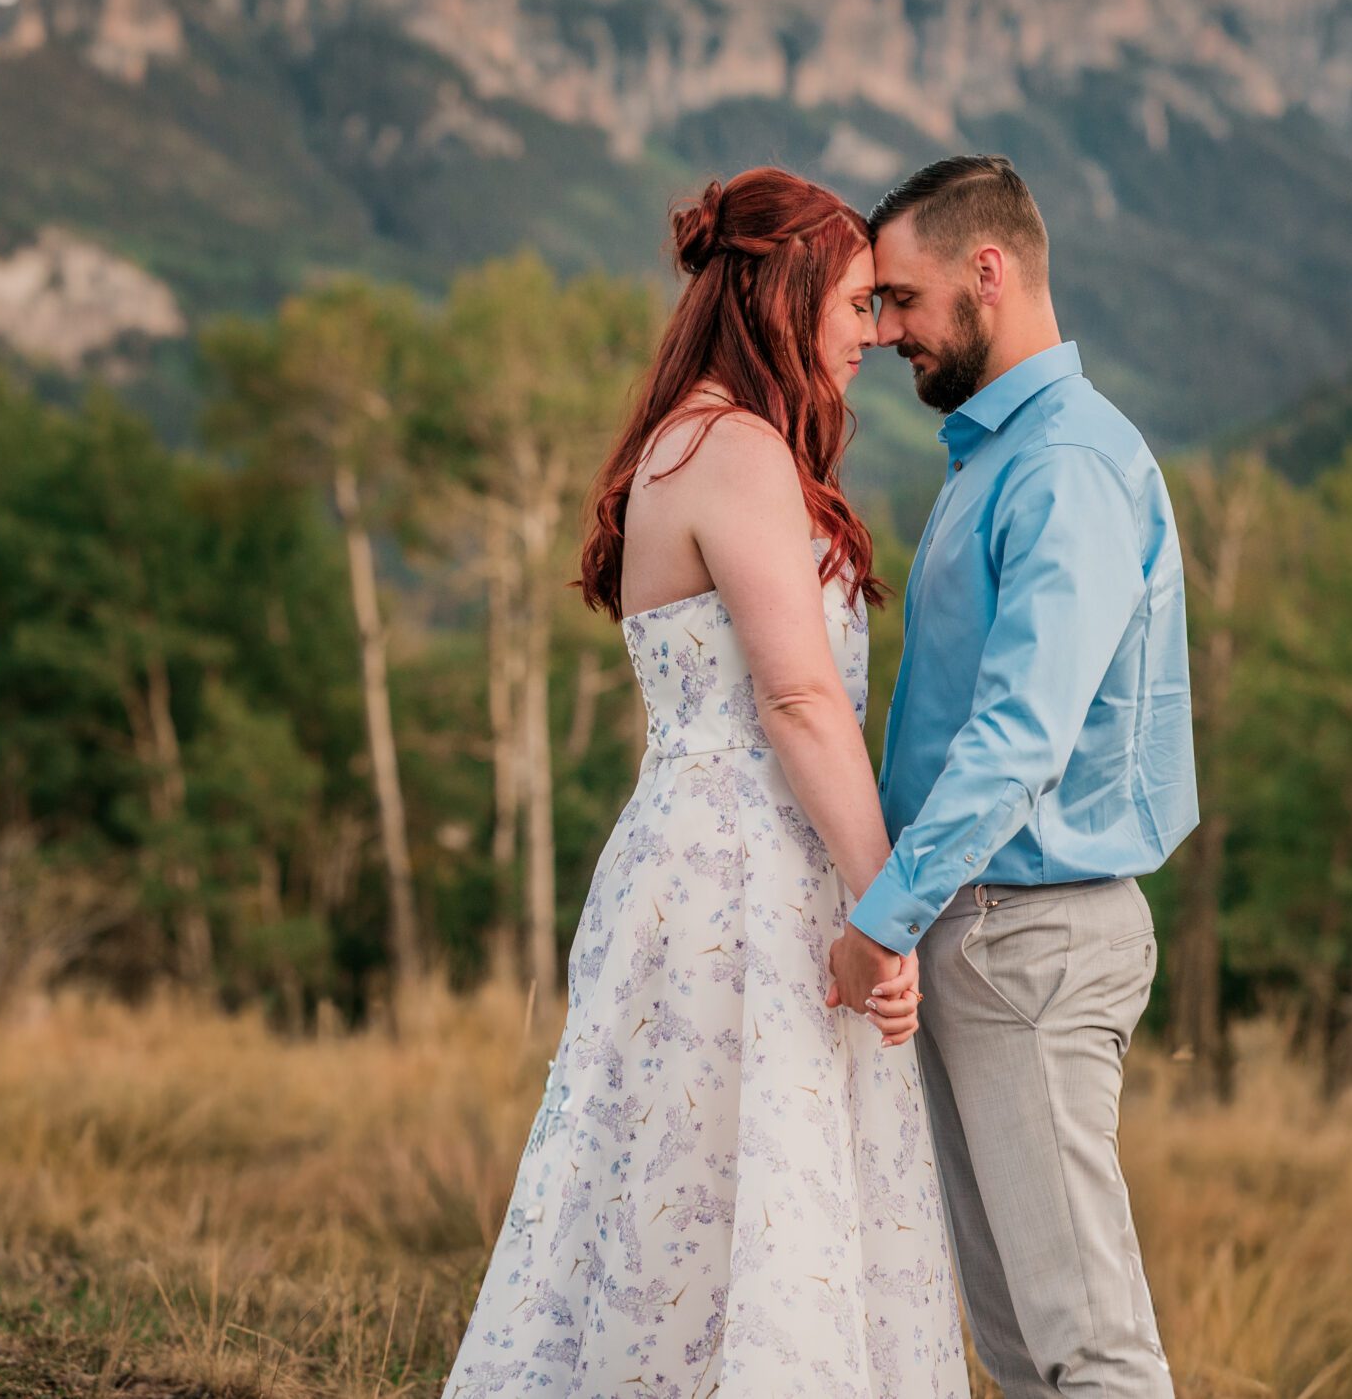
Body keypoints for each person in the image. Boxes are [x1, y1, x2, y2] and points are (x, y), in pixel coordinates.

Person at [443, 167, 969, 1398]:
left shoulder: (685, 436)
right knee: (731, 1191)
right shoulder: (734, 447)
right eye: (852, 304)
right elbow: (796, 700)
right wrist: (883, 906)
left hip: (690, 861)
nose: (873, 333)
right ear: (785, 295)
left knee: (676, 1197)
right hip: (743, 879)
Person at [826, 155, 1199, 1399]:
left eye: (902, 300)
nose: (884, 332)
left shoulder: (1064, 468)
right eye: (872, 308)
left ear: (989, 273)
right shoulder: (998, 455)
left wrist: (883, 910)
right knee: (1021, 1349)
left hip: (1029, 938)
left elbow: (1020, 737)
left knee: (1089, 1350)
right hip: (980, 931)